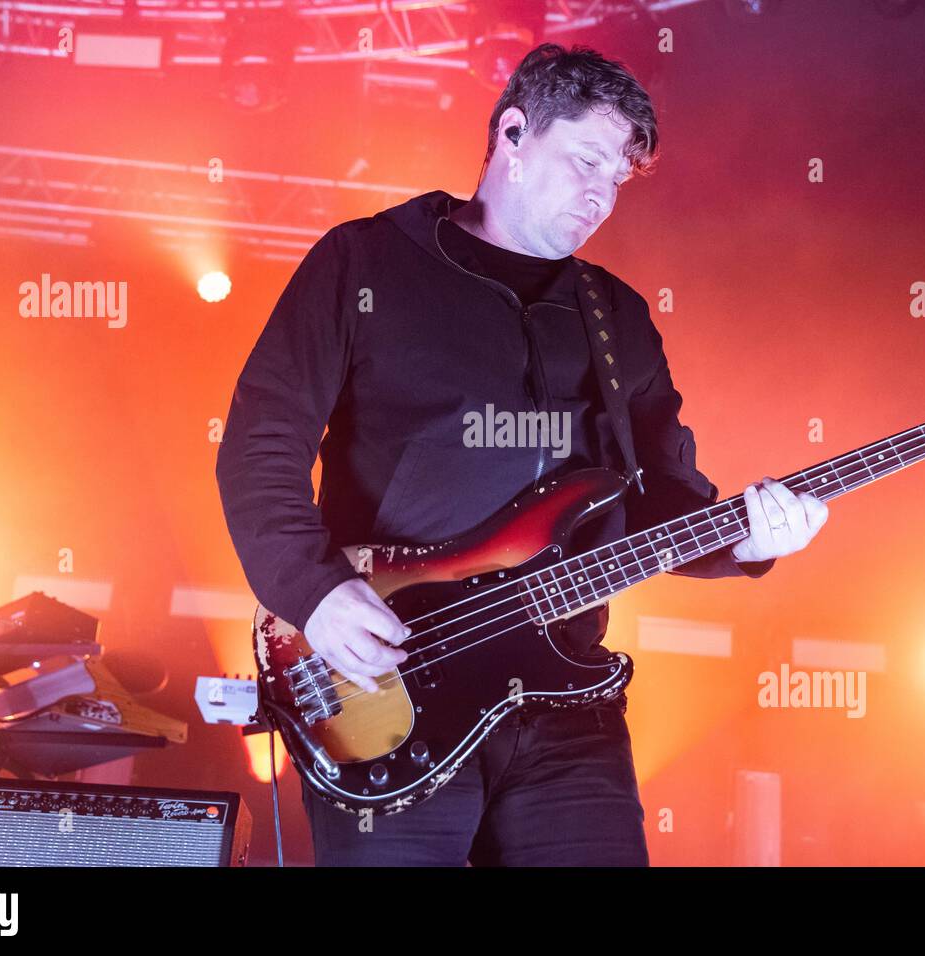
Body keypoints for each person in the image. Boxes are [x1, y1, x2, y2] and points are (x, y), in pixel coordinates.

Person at [215, 43, 828, 866]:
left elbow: (663, 500)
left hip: (566, 698)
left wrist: (747, 543)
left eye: (617, 178)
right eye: (585, 161)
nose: (601, 194)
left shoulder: (618, 317)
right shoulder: (364, 262)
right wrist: (315, 594)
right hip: (388, 680)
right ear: (512, 133)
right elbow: (259, 445)